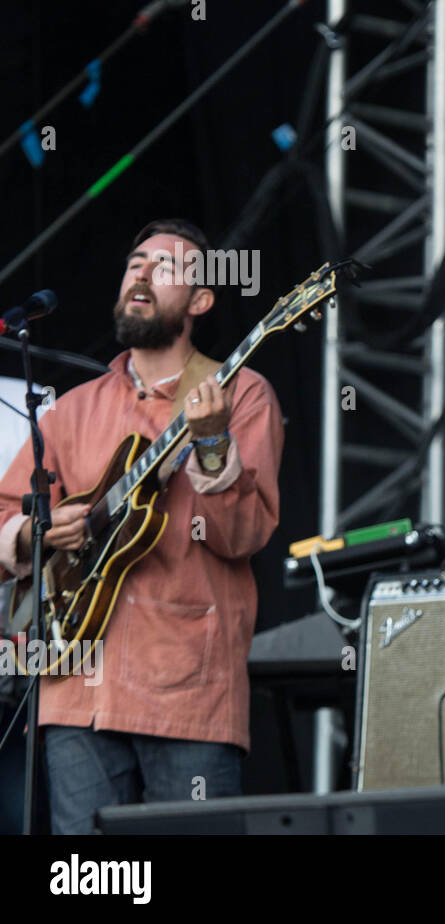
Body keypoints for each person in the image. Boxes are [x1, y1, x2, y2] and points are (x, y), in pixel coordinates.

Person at [0, 219, 284, 833]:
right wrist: (35, 536)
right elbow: (5, 514)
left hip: (187, 696)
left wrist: (211, 447)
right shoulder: (72, 409)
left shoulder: (243, 393)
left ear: (202, 300)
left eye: (165, 267)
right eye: (135, 264)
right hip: (74, 692)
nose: (142, 274)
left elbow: (244, 535)